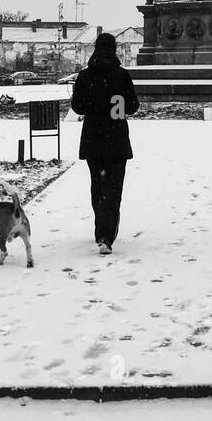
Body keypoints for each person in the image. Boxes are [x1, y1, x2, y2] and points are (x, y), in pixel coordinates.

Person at [70, 33, 139, 255]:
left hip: (93, 140)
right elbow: (132, 106)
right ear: (114, 49)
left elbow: (78, 108)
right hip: (117, 140)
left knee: (98, 187)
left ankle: (102, 227)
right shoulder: (122, 76)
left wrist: (94, 103)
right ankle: (105, 234)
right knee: (113, 189)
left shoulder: (84, 77)